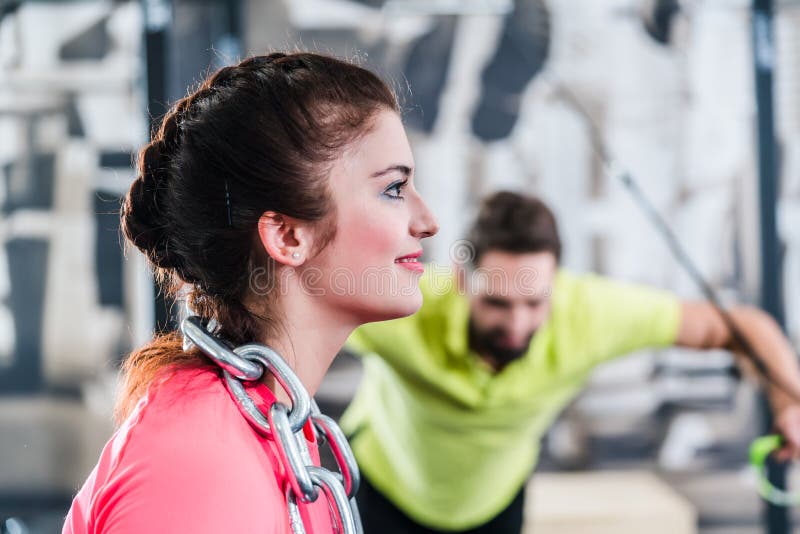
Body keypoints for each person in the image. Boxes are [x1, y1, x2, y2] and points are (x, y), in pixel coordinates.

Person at [63, 52, 438, 533]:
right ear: (286, 237)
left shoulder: (264, 426)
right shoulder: (203, 463)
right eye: (394, 188)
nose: (428, 222)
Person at [342, 190, 800, 534]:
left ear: (556, 284)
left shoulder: (589, 313)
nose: (517, 324)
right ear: (462, 280)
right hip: (382, 493)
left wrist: (790, 405)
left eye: (535, 302)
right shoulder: (403, 307)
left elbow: (745, 328)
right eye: (498, 303)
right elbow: (291, 307)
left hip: (493, 506)